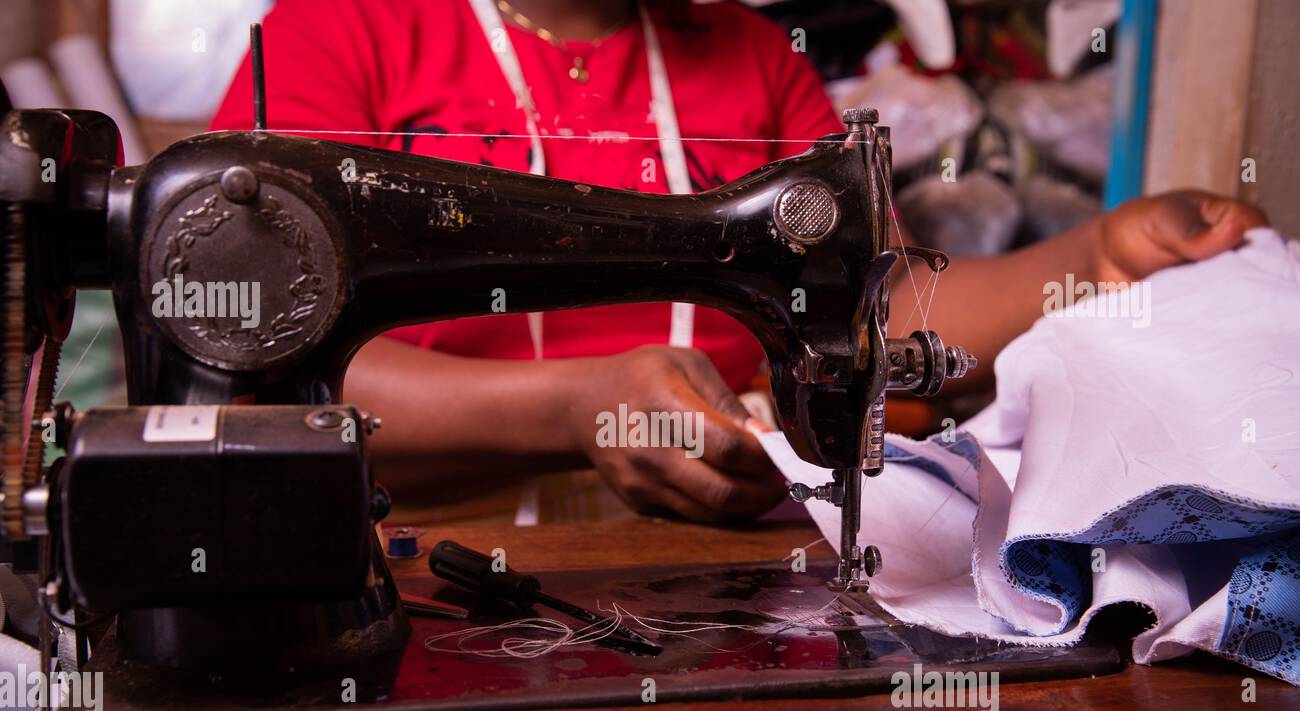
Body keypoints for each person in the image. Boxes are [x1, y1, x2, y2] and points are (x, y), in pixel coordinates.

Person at [211, 0, 1266, 523]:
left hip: (719, 565)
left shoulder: (757, 56)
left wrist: (1101, 251)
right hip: (420, 565)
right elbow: (257, 373)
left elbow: (879, 306)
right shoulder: (334, 36)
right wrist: (575, 409)